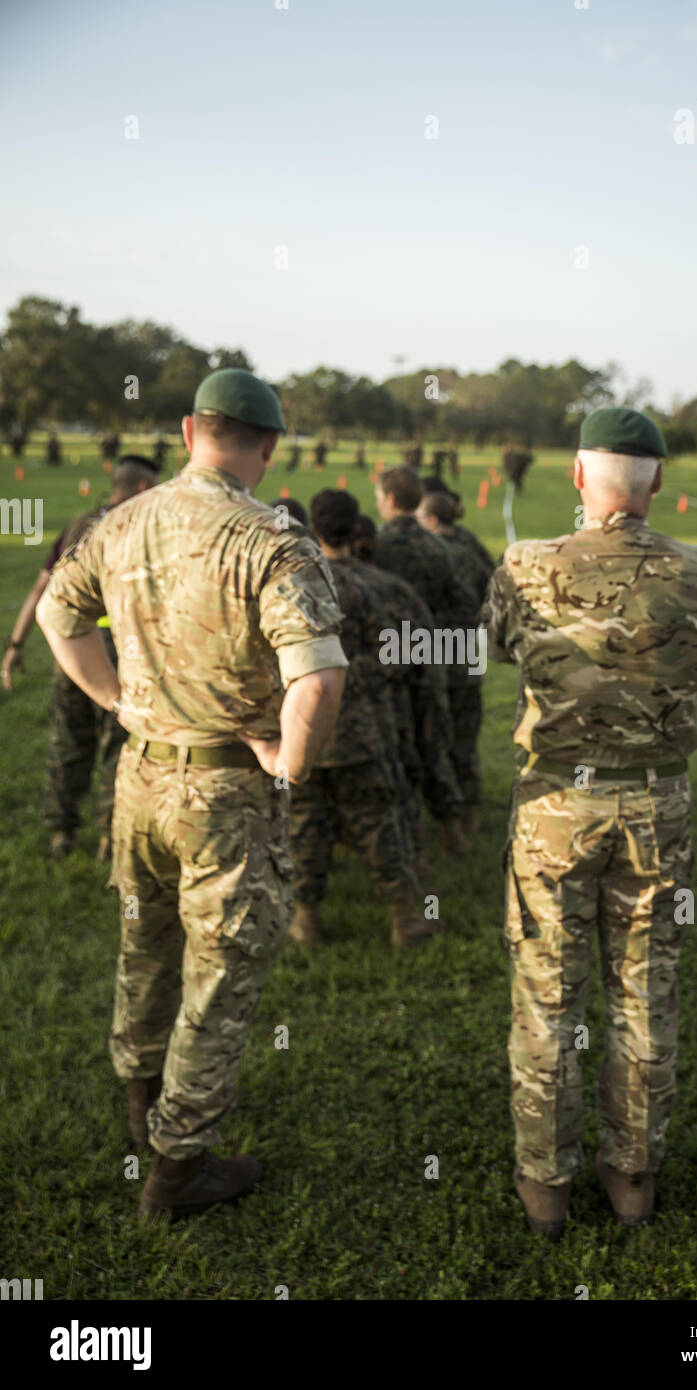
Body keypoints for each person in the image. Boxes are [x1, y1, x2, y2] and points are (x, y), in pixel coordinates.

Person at [36, 368, 348, 1223]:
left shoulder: (119, 522)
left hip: (138, 779)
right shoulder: (271, 541)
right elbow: (317, 680)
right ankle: (178, 1169)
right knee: (218, 972)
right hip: (224, 790)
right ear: (270, 448)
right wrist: (288, 762)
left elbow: (61, 622)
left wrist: (114, 702)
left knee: (145, 943)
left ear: (186, 431)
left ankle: (143, 1106)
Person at [482, 407, 697, 1240]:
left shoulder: (524, 564)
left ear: (579, 476)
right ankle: (632, 1179)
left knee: (548, 998)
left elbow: (498, 648)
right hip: (656, 804)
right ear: (658, 480)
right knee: (643, 994)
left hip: (557, 806)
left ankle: (545, 1186)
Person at [288, 489, 439, 948]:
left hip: (302, 732)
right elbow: (412, 652)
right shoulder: (376, 586)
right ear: (356, 530)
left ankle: (305, 920)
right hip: (363, 733)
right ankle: (405, 917)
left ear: (312, 529)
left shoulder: (292, 586)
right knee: (379, 826)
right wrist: (356, 676)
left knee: (304, 830)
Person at [3, 455, 160, 860]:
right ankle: (111, 836)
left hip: (73, 646)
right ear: (143, 488)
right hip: (124, 648)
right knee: (119, 743)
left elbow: (43, 590)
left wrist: (16, 645)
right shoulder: (142, 528)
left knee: (69, 739)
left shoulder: (78, 525)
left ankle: (61, 831)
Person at [351, 513, 464, 875]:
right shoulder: (396, 586)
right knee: (422, 763)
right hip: (416, 681)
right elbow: (430, 632)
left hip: (379, 695)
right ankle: (436, 842)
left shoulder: (342, 583)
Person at [374, 466, 477, 855]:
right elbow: (466, 603)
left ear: (388, 499)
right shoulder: (444, 547)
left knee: (398, 746)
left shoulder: (377, 546)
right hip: (433, 655)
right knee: (434, 744)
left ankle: (410, 836)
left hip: (390, 658)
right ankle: (453, 829)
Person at [416, 491, 490, 839]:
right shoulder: (469, 551)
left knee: (433, 738)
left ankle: (444, 819)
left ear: (431, 520)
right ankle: (469, 815)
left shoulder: (426, 556)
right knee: (465, 738)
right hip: (467, 654)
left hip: (434, 656)